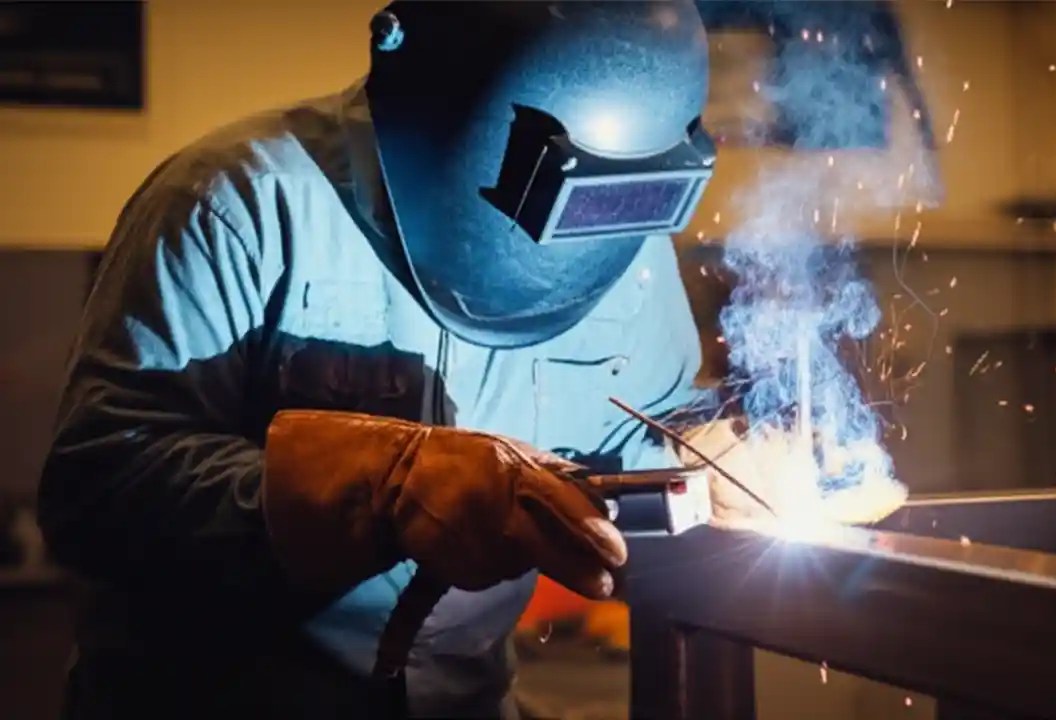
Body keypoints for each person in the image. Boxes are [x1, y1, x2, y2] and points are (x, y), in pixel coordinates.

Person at [36, 2, 712, 718]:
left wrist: (707, 458)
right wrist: (379, 486)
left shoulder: (626, 238)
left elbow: (643, 438)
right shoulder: (238, 206)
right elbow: (98, 488)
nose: (592, 229)